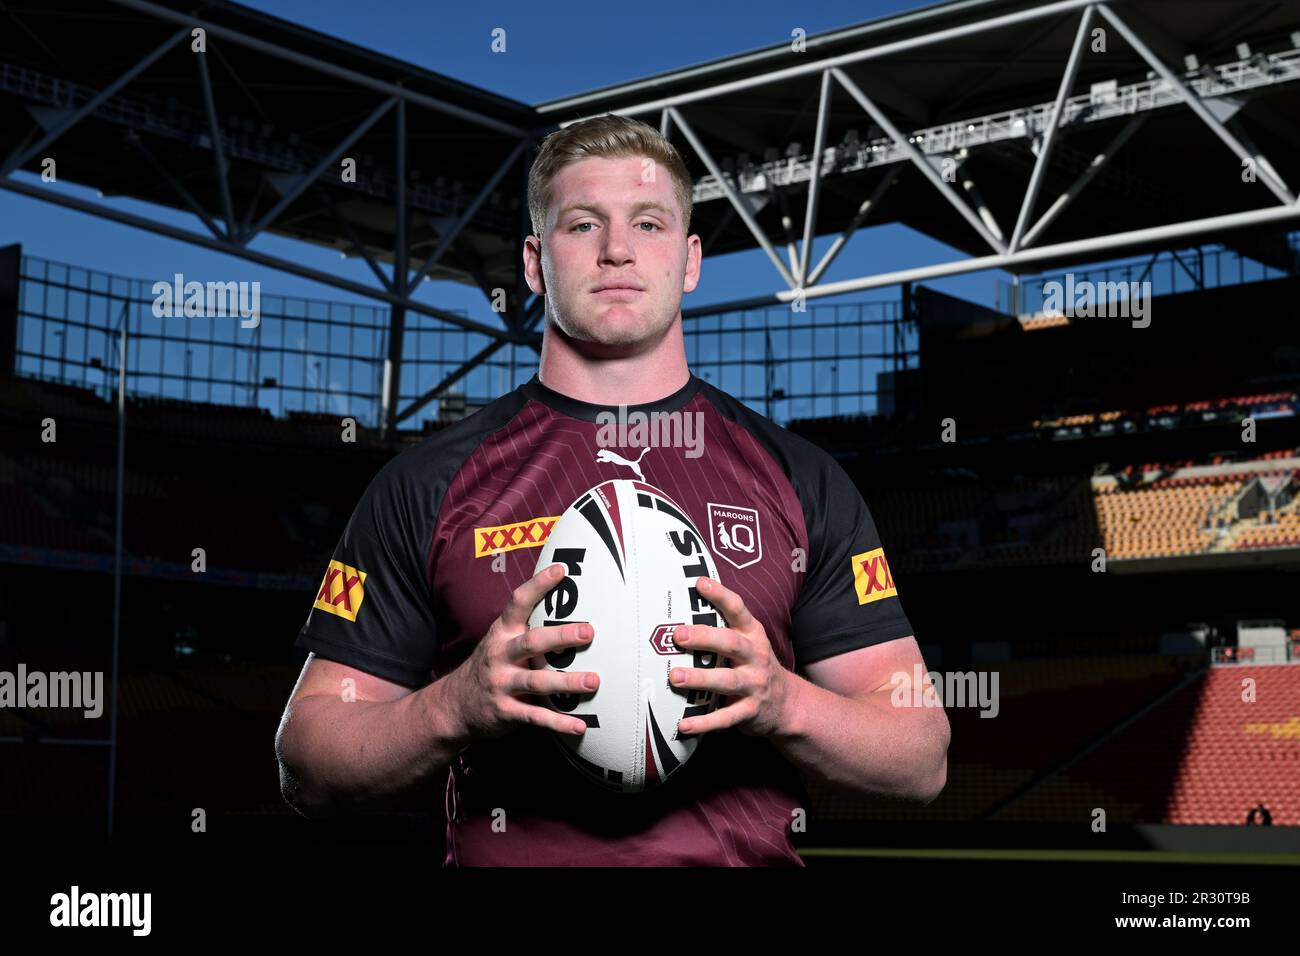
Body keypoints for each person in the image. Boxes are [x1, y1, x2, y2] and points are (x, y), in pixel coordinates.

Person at [275, 114, 949, 866]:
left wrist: (784, 703)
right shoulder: (427, 484)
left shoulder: (800, 478)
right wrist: (454, 707)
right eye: (582, 224)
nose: (618, 249)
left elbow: (921, 756)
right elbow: (306, 759)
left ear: (691, 260)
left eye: (649, 223)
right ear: (534, 262)